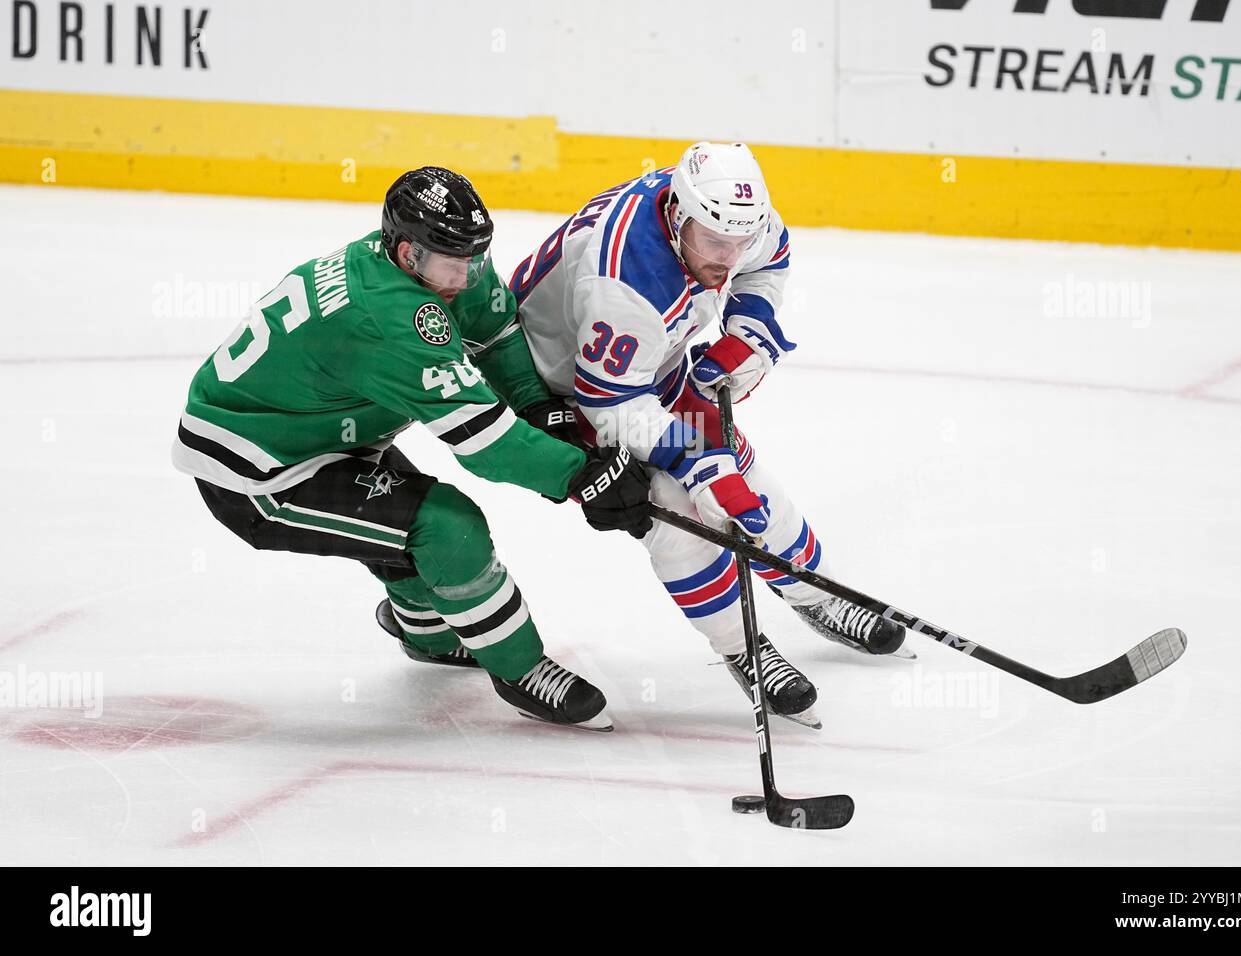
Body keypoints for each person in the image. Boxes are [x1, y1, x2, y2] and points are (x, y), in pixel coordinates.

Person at [171, 166, 652, 732]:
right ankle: (520, 669)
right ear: (406, 253)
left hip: (321, 432)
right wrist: (579, 476)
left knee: (401, 516)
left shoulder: (443, 261)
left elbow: (493, 331)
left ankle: (426, 634)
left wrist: (536, 407)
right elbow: (486, 444)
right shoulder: (390, 319)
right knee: (445, 526)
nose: (470, 274)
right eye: (455, 264)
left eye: (477, 257)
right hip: (260, 472)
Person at [509, 142, 909, 727]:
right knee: (678, 511)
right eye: (714, 243)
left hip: (646, 366)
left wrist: (749, 327)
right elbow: (610, 400)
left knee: (746, 482)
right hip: (567, 392)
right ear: (676, 215)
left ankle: (816, 597)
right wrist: (698, 464)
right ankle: (743, 647)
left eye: (737, 242)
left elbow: (768, 261)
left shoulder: (724, 216)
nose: (728, 258)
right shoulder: (627, 284)